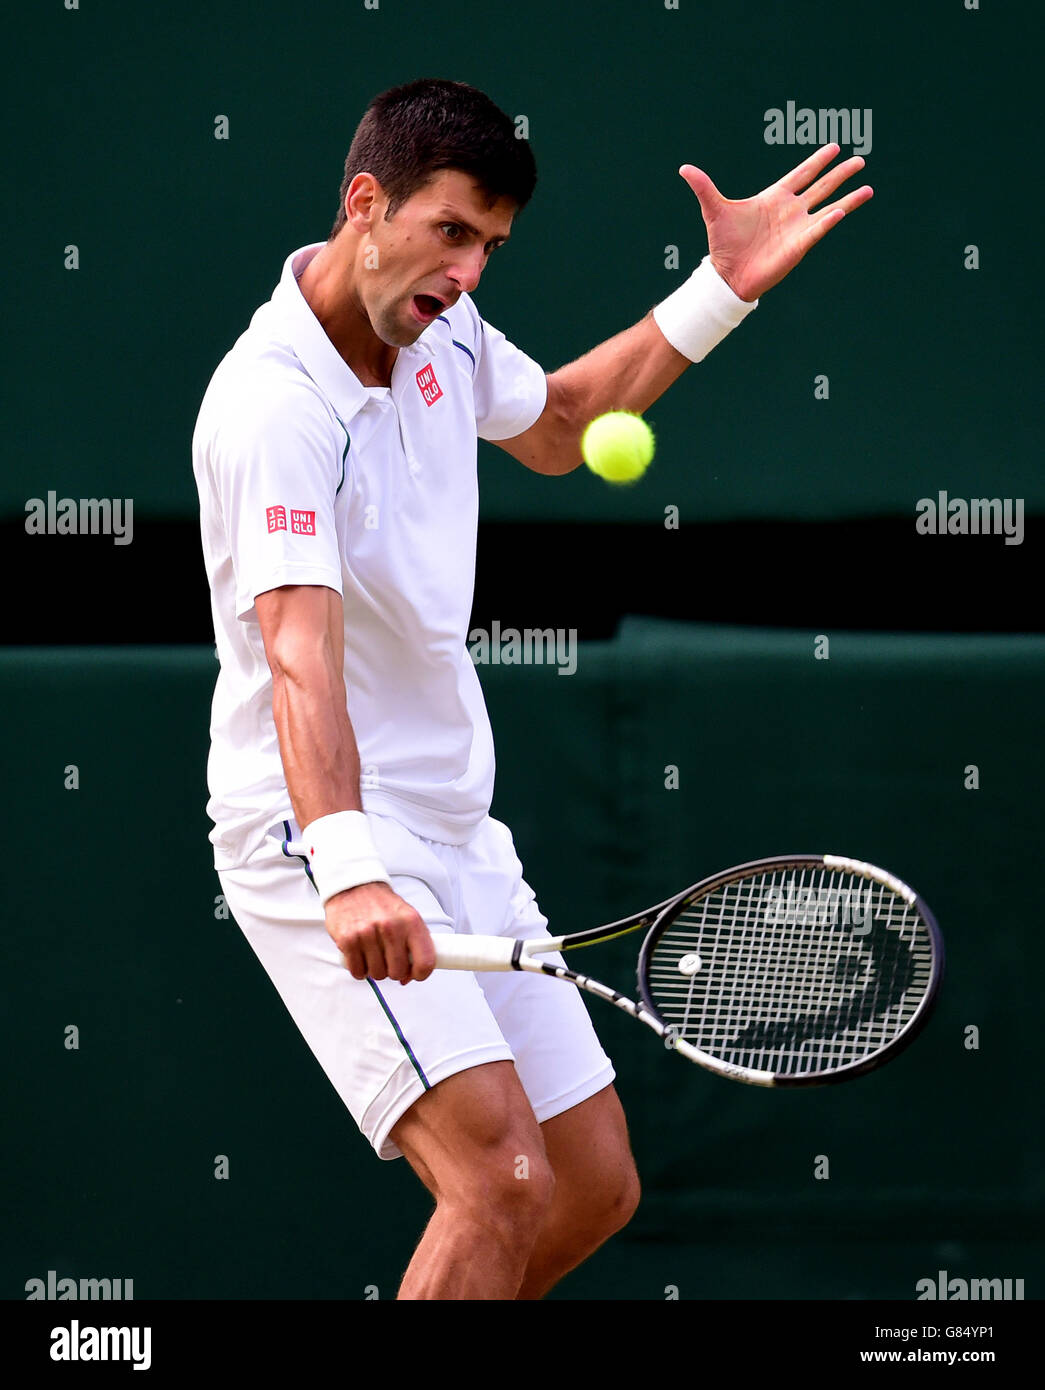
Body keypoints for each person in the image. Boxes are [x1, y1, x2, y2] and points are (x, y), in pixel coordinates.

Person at [191, 77, 872, 1301]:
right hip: (316, 827)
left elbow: (562, 421)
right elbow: (300, 654)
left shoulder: (438, 326)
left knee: (590, 1181)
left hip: (456, 827)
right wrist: (348, 866)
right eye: (450, 232)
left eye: (491, 247)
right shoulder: (272, 409)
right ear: (366, 204)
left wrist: (720, 290)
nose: (468, 271)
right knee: (498, 1180)